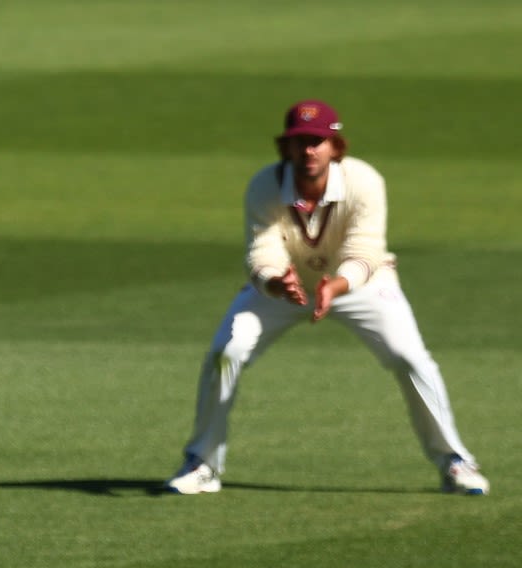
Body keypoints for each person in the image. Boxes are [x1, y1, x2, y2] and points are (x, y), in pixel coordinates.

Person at [165, 100, 490, 496]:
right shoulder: (264, 186)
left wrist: (336, 285)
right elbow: (261, 251)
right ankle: (202, 463)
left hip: (361, 285)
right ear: (284, 148)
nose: (308, 151)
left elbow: (366, 250)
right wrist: (274, 282)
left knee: (409, 357)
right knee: (227, 351)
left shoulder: (364, 181)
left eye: (318, 141)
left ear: (336, 147)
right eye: (299, 142)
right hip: (284, 287)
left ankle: (454, 461)